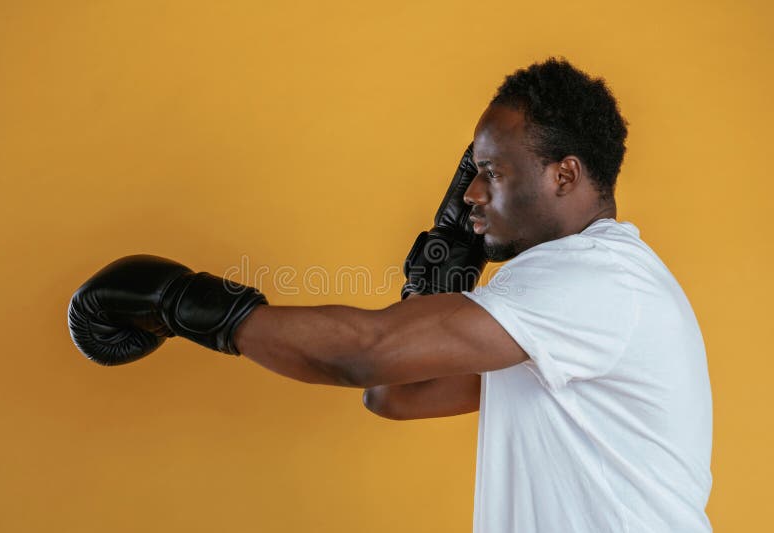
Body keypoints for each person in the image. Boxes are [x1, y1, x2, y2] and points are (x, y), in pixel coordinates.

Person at [68, 57, 713, 532]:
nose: (470, 196)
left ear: (564, 174)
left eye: (491, 173)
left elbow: (367, 354)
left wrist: (183, 302)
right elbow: (397, 394)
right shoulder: (565, 305)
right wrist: (442, 279)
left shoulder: (594, 279)